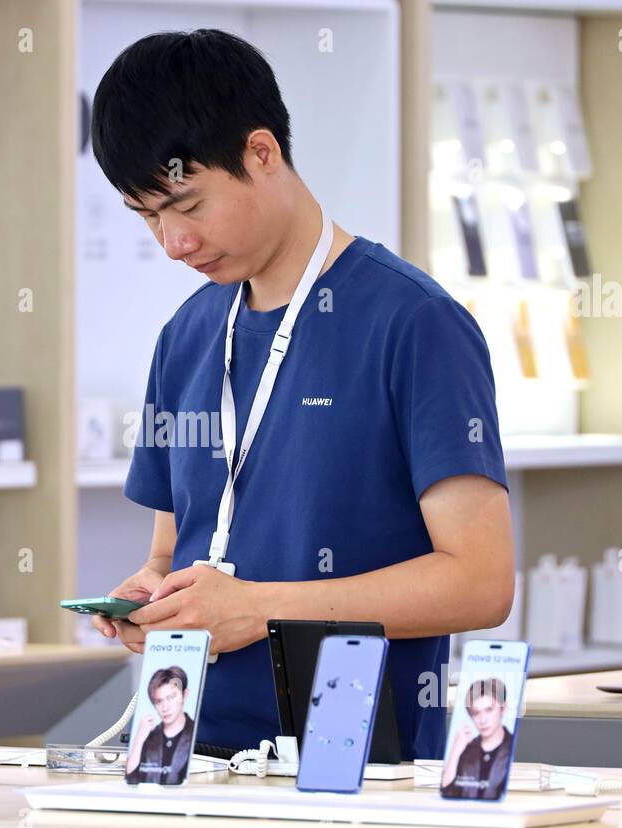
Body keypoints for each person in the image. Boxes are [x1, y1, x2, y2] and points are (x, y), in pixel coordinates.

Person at [89, 29, 514, 760]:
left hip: (356, 768)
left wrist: (257, 611)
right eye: (148, 216)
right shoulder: (187, 335)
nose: (173, 243)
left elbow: (479, 583)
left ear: (262, 153)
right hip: (185, 758)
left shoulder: (414, 324)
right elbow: (170, 553)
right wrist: (152, 601)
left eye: (186, 206)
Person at [441, 677, 514, 799]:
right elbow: (446, 792)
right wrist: (455, 751)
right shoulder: (466, 751)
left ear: (503, 708)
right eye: (476, 713)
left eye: (489, 710)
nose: (483, 720)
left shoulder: (512, 746)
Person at [125, 666, 196, 785]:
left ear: (185, 695)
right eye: (159, 701)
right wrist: (138, 739)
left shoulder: (195, 732)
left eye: (171, 698)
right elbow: (131, 779)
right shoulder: (149, 737)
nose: (165, 708)